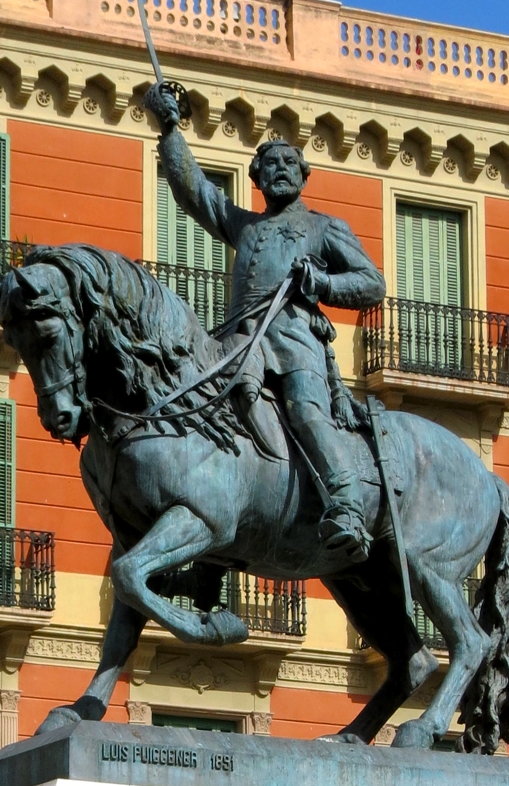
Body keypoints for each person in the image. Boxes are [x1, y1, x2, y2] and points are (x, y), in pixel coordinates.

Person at [145, 81, 387, 565]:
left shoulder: (323, 228)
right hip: (240, 341)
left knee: (304, 411)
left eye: (288, 163)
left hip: (297, 342)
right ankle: (209, 546)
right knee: (206, 419)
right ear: (255, 178)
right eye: (269, 165)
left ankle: (347, 505)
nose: (279, 170)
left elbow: (372, 283)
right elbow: (195, 192)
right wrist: (170, 129)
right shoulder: (246, 227)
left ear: (304, 173)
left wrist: (321, 284)